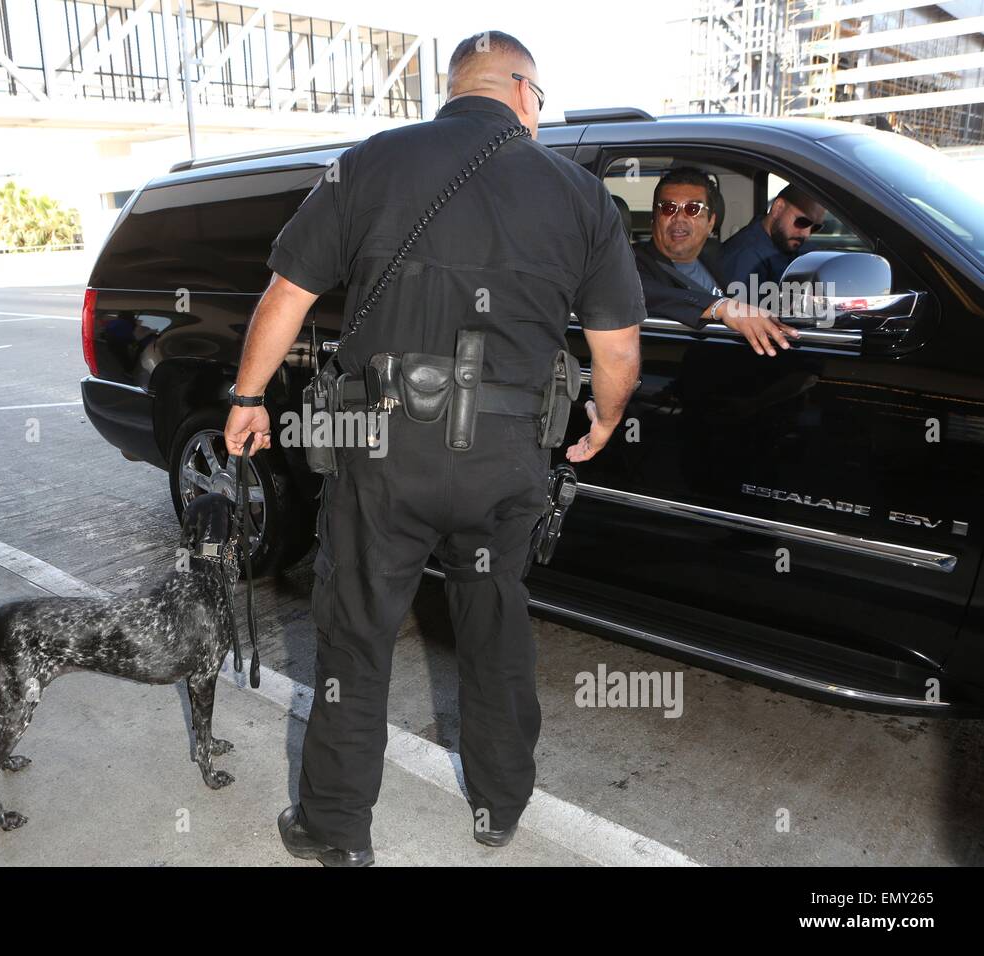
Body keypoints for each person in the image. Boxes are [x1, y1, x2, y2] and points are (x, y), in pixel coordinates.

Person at [222, 31, 643, 866]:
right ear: (523, 90)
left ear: (455, 89)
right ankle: (498, 808)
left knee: (355, 633)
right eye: (541, 99)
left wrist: (245, 398)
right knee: (496, 624)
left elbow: (287, 294)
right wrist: (600, 420)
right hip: (507, 457)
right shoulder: (579, 195)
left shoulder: (373, 161)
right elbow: (618, 352)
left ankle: (337, 831)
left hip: (382, 450)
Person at [633, 167, 798, 358]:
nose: (678, 218)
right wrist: (722, 307)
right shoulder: (631, 263)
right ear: (654, 218)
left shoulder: (718, 256)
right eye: (669, 208)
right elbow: (644, 292)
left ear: (711, 222)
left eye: (692, 209)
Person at [722, 183, 827, 292]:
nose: (806, 234)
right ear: (778, 209)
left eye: (815, 228)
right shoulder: (745, 256)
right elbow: (740, 308)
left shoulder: (799, 247)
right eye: (802, 222)